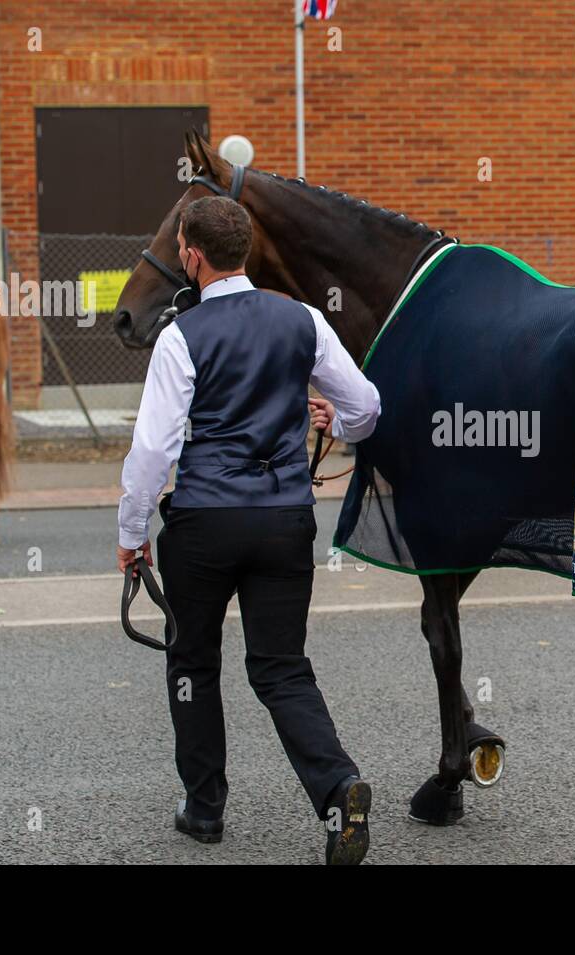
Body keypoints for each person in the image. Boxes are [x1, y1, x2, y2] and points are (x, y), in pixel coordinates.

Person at [116, 194, 380, 865]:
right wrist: (336, 426)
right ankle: (338, 786)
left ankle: (204, 809)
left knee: (194, 661)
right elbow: (368, 407)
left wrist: (132, 530)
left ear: (192, 255)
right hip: (285, 519)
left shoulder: (182, 336)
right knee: (282, 667)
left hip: (204, 521)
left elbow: (153, 449)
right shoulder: (304, 321)